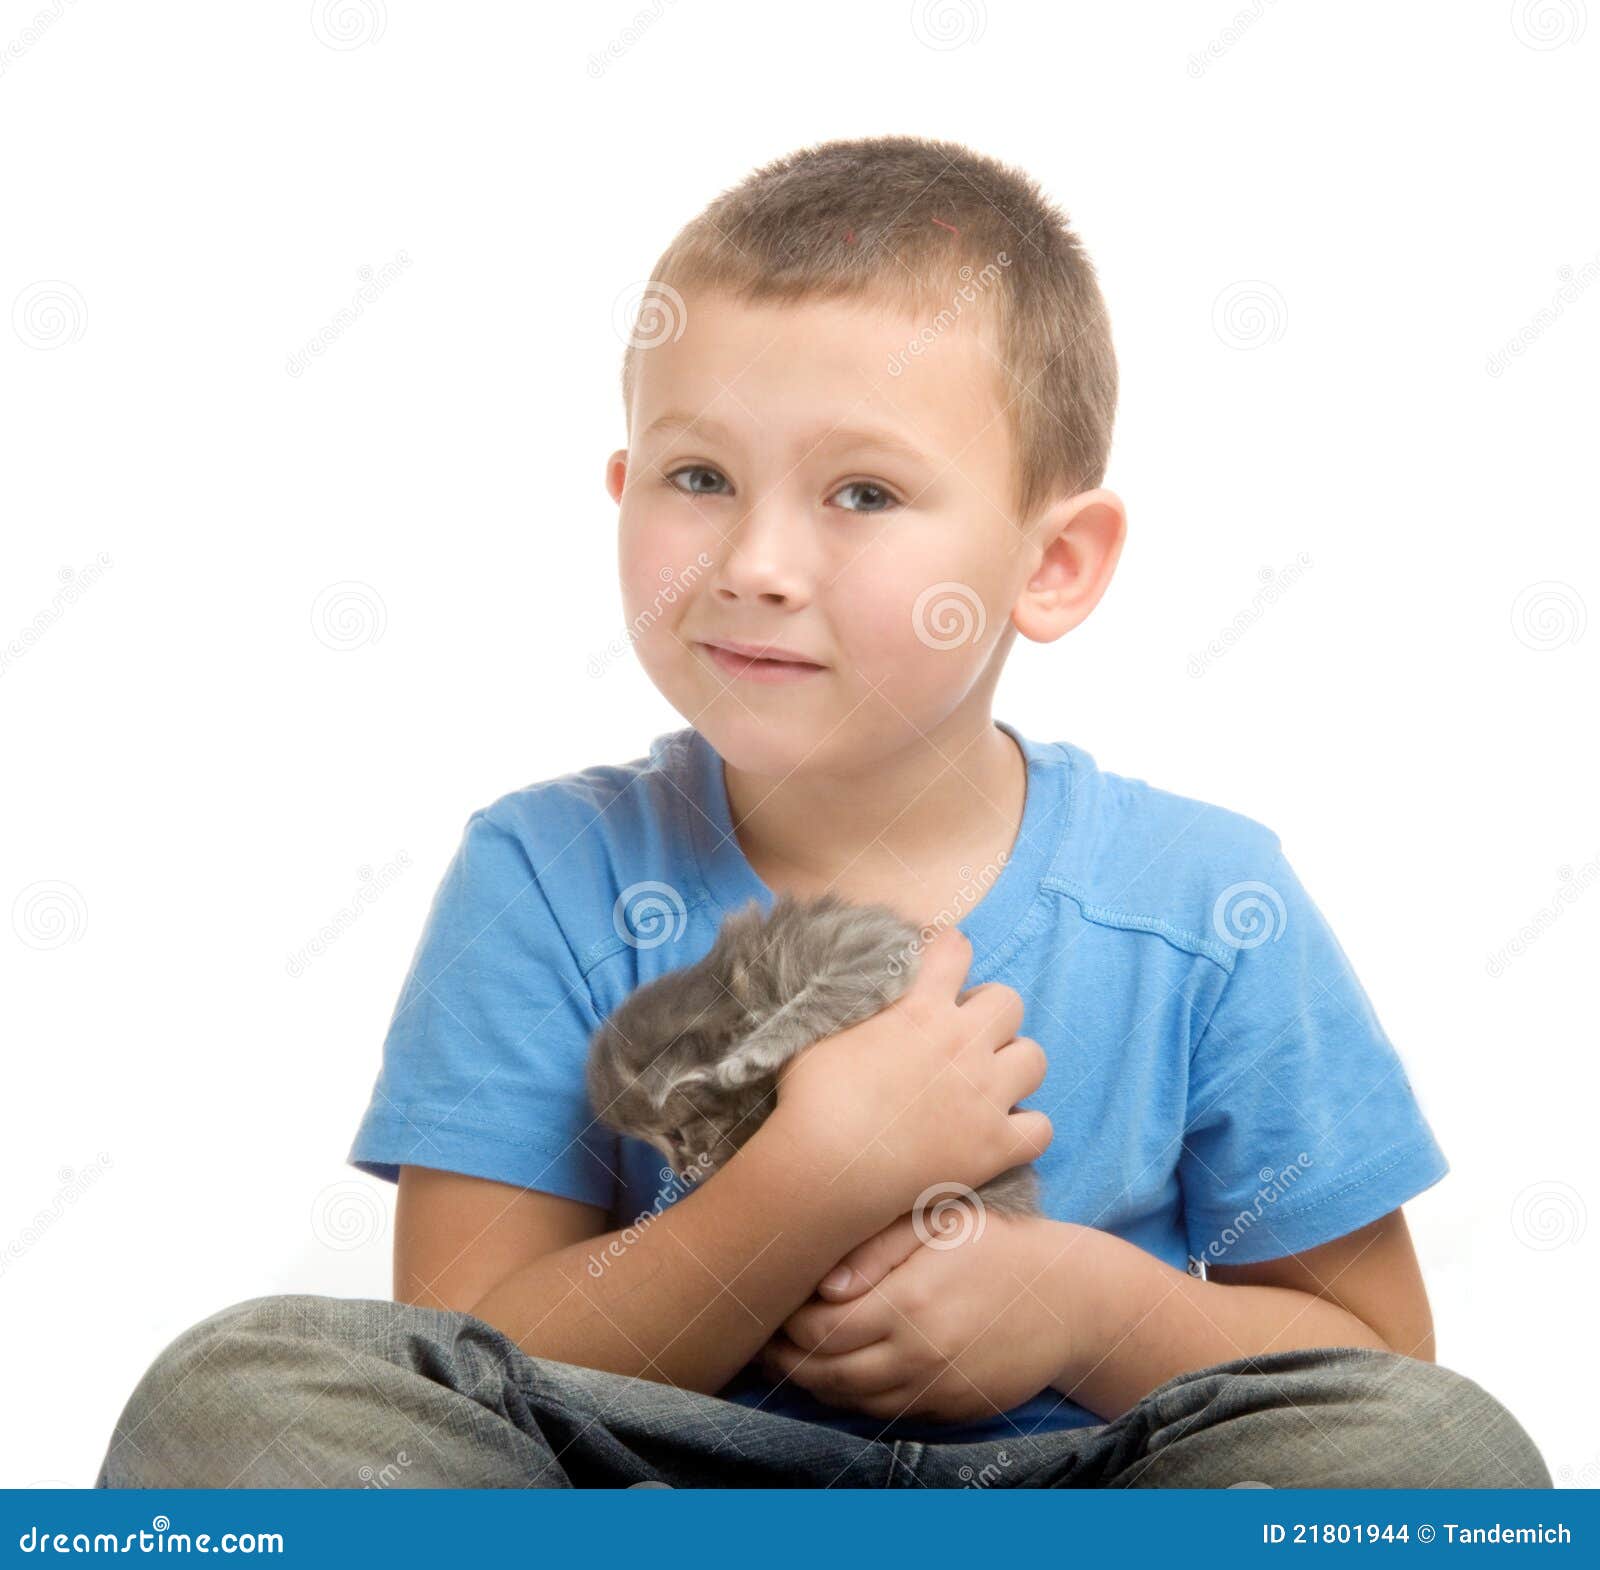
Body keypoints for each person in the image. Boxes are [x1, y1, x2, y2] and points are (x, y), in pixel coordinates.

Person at [95, 134, 1550, 1490]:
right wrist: (812, 1178)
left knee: (1430, 1459)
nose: (757, 560)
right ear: (619, 491)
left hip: (1087, 1501)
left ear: (1054, 565)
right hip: (642, 1487)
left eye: (861, 491)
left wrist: (1084, 1309)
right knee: (245, 1401)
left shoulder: (1204, 896)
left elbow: (1378, 1361)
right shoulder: (545, 870)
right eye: (697, 477)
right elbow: (471, 1362)